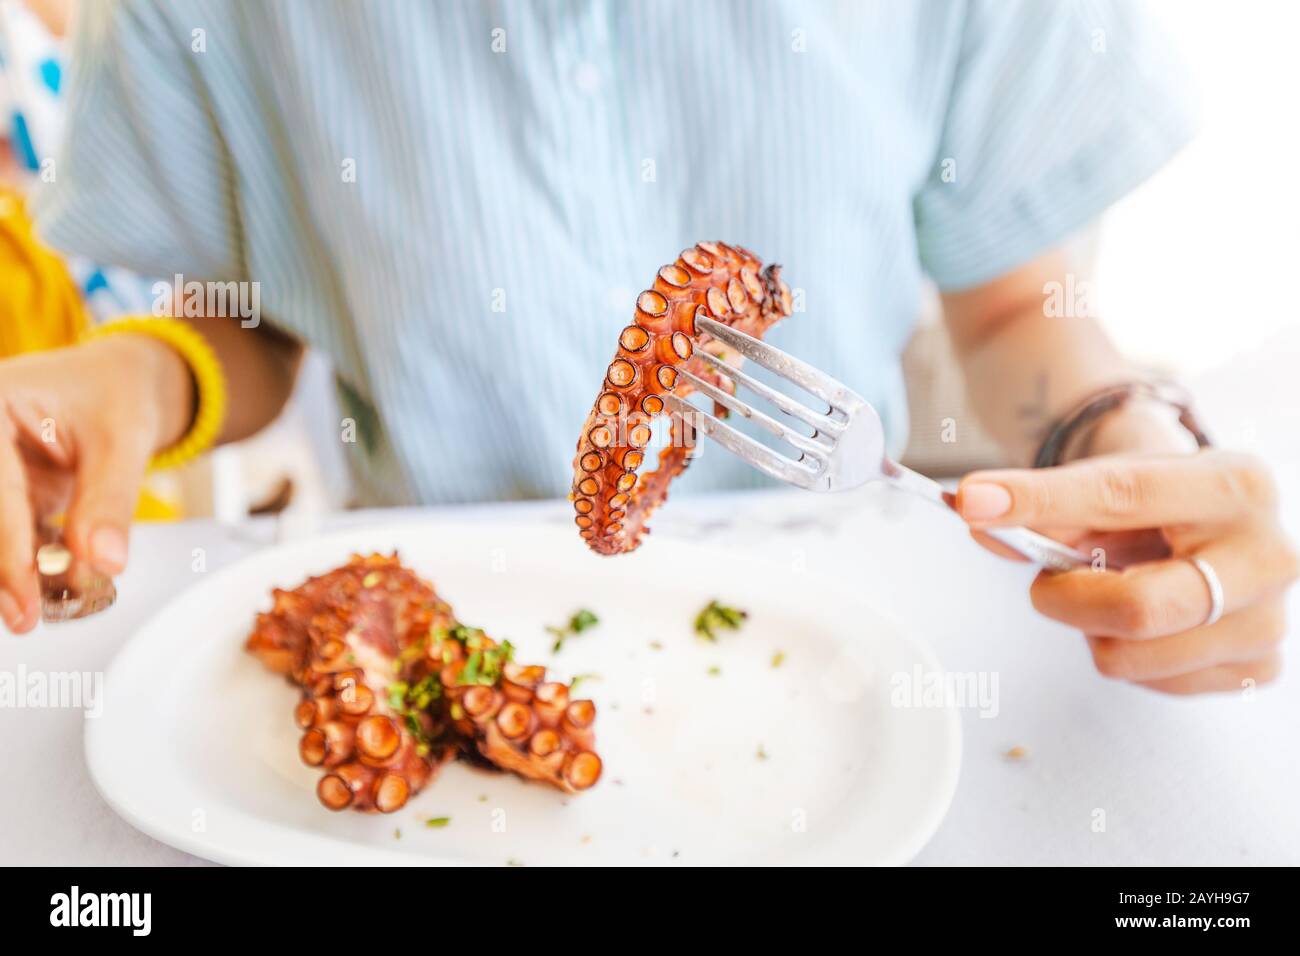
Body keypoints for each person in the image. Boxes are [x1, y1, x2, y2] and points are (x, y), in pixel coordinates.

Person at [2, 0, 1294, 695]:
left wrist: (1114, 439)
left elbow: (1016, 313)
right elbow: (257, 311)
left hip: (847, 636)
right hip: (450, 617)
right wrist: (142, 373)